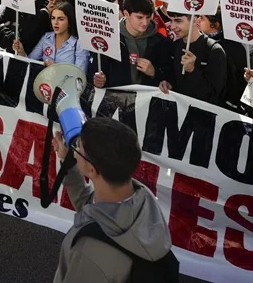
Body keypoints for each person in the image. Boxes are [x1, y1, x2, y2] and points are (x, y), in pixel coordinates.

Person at [51, 117, 173, 283]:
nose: (74, 148)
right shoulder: (144, 199)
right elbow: (91, 210)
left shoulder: (88, 252)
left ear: (92, 169)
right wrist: (69, 163)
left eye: (78, 146)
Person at [90, 0, 172, 89]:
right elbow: (95, 70)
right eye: (139, 17)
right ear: (126, 14)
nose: (145, 22)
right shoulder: (108, 38)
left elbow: (170, 74)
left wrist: (154, 72)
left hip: (147, 101)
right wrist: (99, 80)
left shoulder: (160, 41)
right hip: (116, 100)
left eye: (148, 17)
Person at [162, 12, 228, 105]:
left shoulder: (214, 50)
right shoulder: (174, 46)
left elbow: (213, 96)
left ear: (195, 20)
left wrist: (192, 71)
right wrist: (168, 83)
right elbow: (176, 79)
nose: (172, 27)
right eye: (171, 21)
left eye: (178, 21)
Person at [15, 1, 89, 72]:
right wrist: (21, 52)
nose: (55, 22)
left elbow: (80, 77)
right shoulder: (46, 37)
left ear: (69, 22)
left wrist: (56, 68)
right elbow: (30, 62)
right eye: (53, 18)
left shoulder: (79, 44)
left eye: (61, 19)